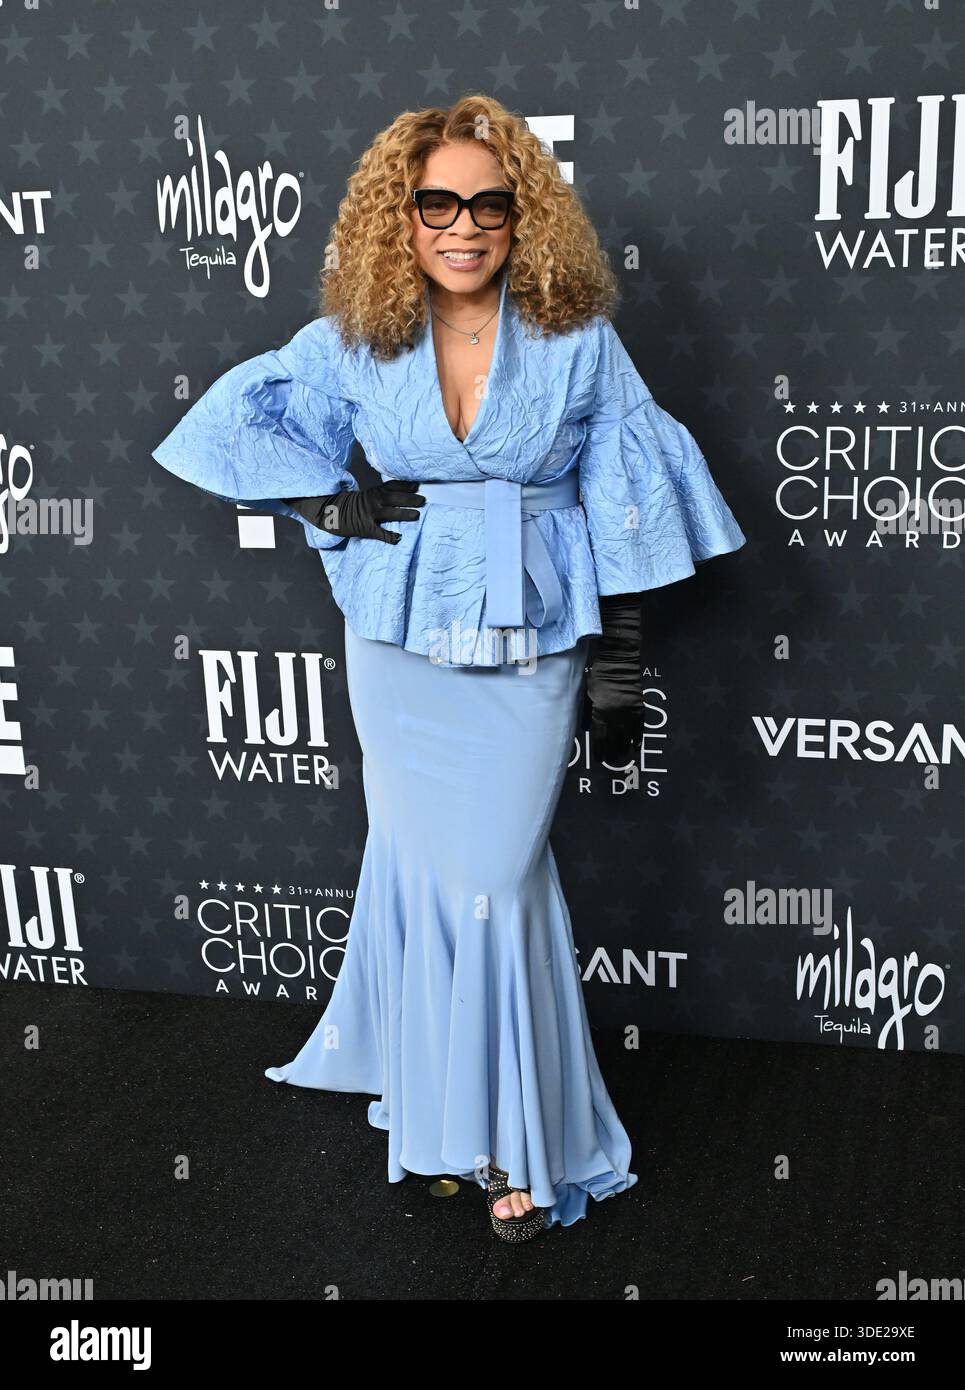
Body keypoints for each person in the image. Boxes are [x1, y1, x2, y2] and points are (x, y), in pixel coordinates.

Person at [151, 93, 746, 1241]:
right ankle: (473, 1139)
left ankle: (507, 1130)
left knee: (495, 879)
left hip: (529, 649)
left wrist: (618, 666)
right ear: (401, 216)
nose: (462, 225)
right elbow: (236, 423)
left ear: (525, 218)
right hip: (396, 647)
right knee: (427, 878)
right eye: (437, 202)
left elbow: (622, 494)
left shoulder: (580, 345)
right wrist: (327, 495)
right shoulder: (358, 339)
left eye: (488, 201)